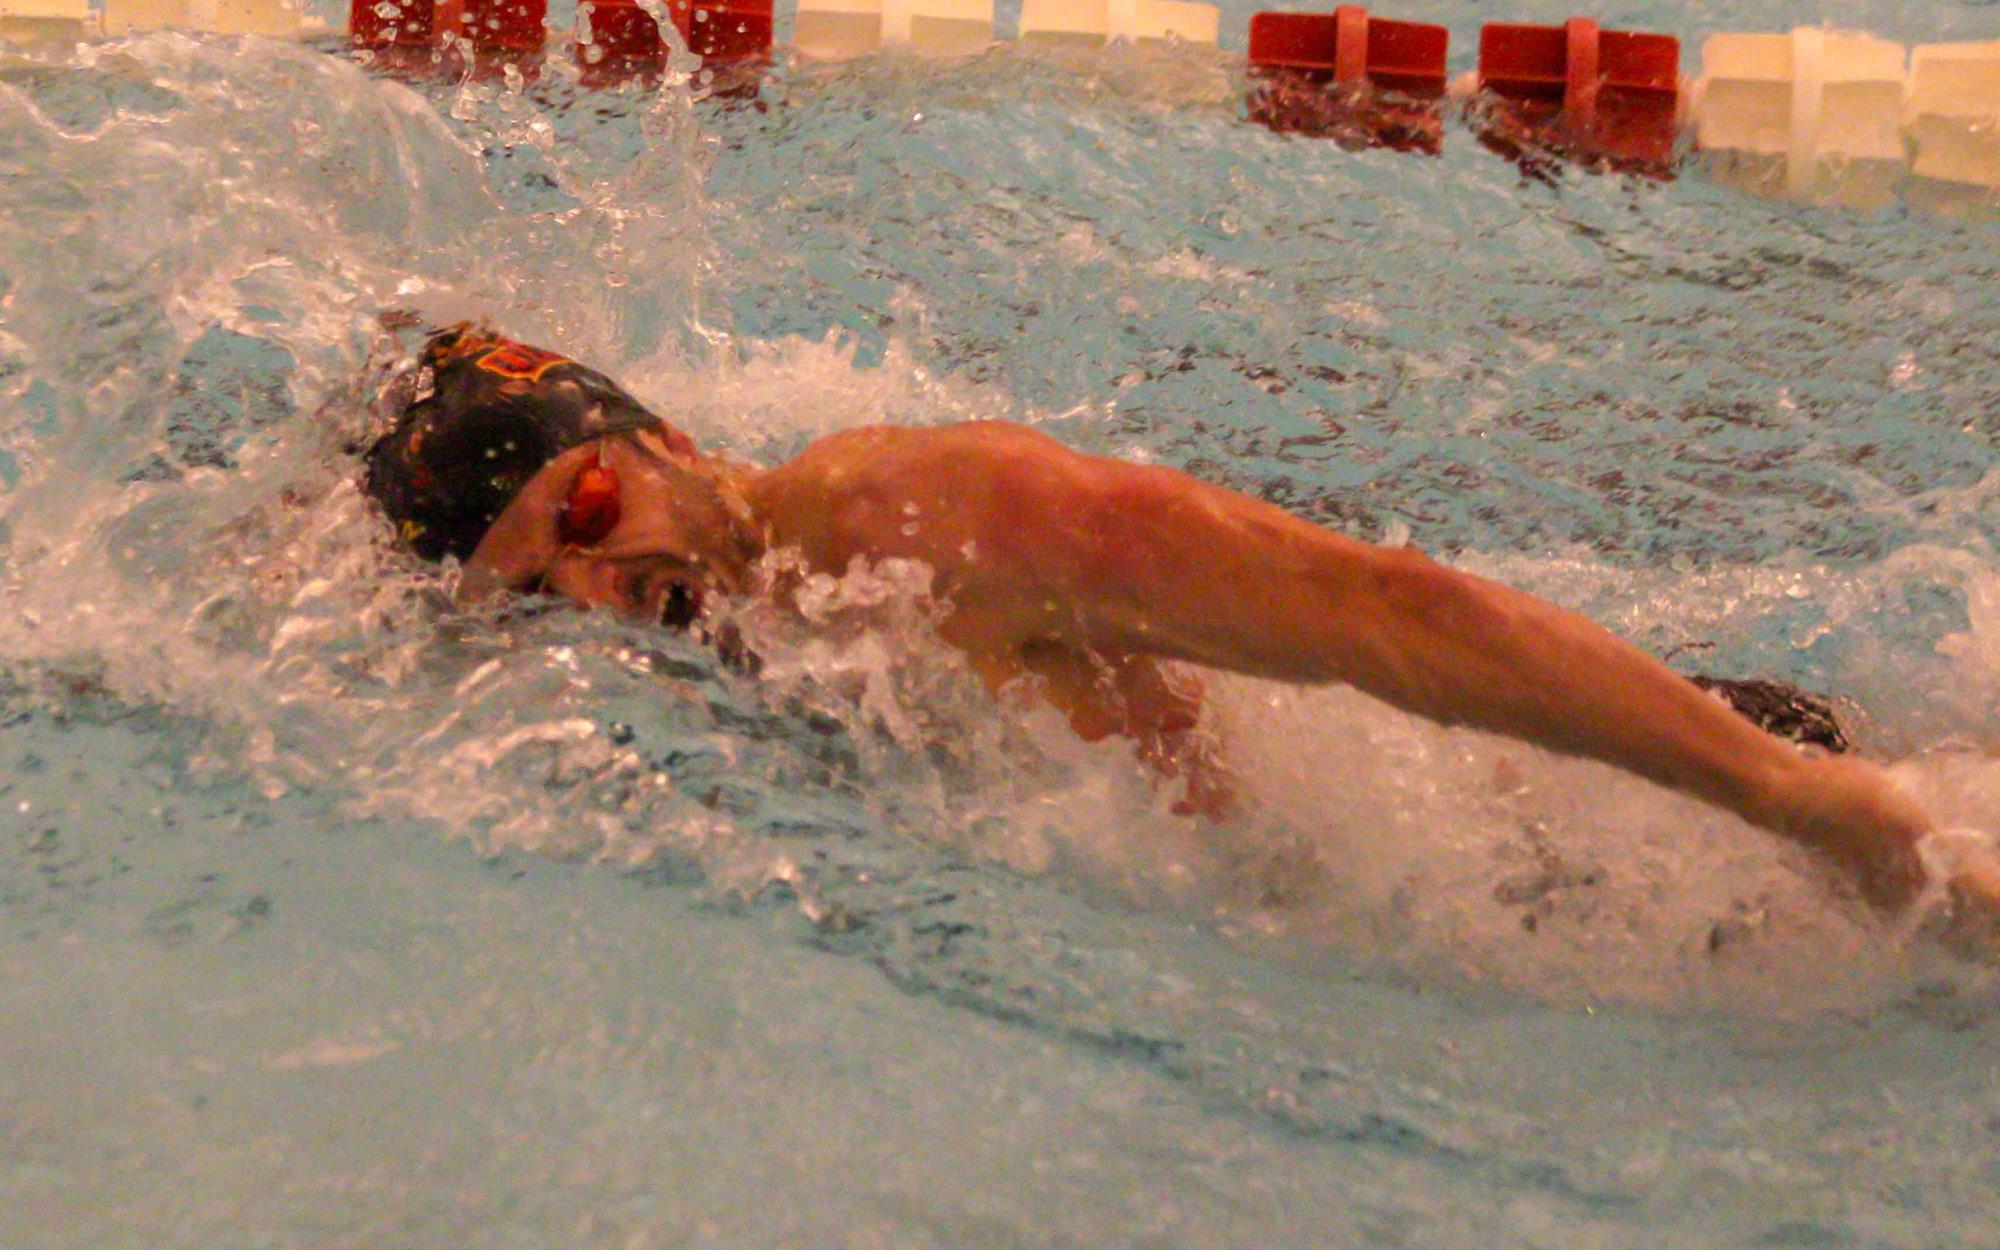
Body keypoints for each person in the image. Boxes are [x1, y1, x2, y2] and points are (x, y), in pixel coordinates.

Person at [365, 322, 2000, 918]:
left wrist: (1807, 802)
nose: (602, 588)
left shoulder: (908, 523)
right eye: (540, 588)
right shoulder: (735, 648)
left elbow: (1383, 608)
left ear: (663, 438)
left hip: (1624, 841)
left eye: (588, 511)